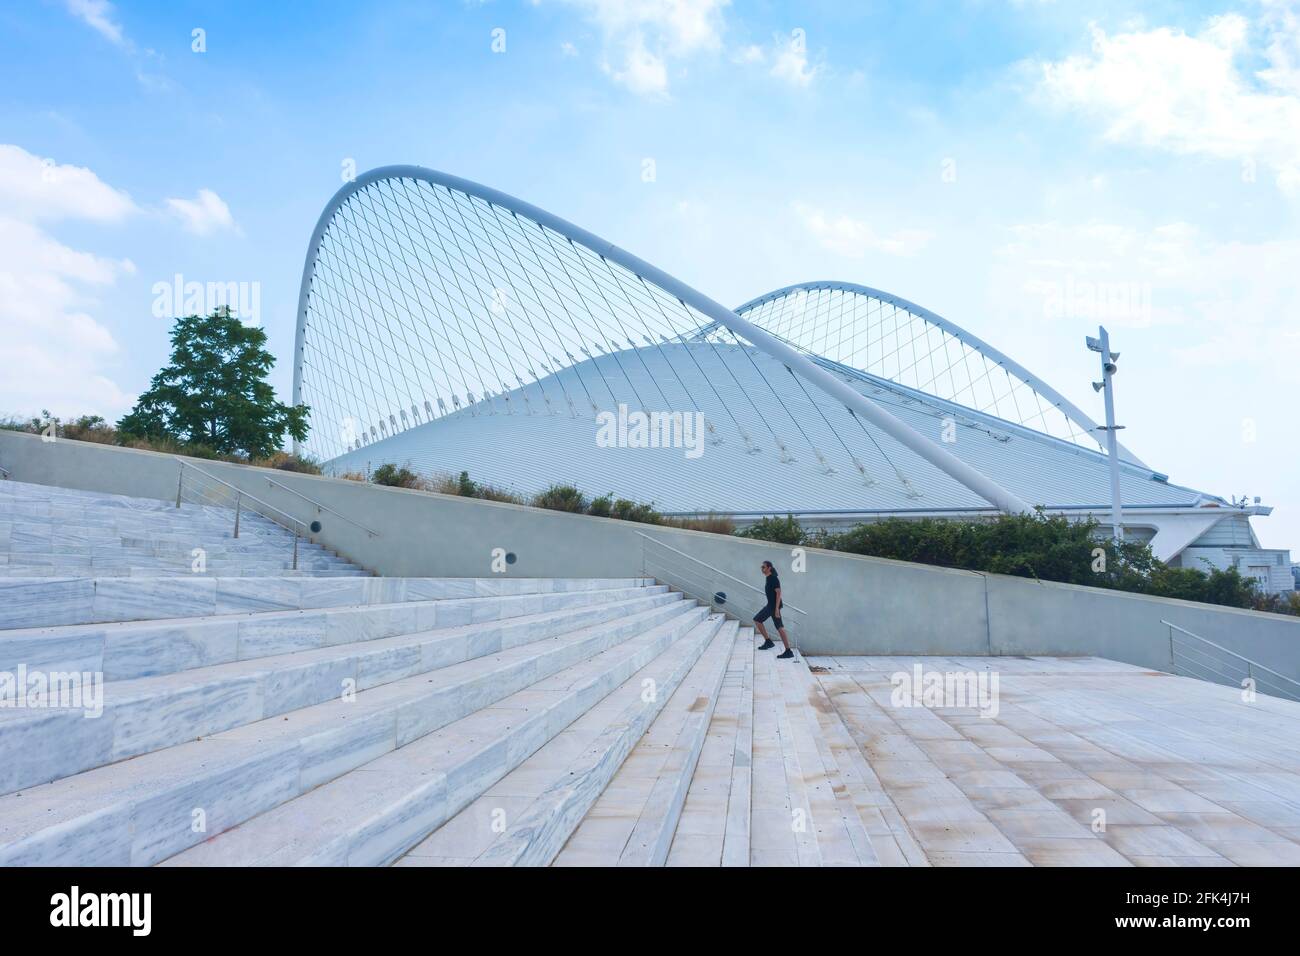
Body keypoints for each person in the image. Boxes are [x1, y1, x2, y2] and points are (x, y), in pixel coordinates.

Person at [754, 560, 793, 659]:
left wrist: (776, 609)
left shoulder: (773, 579)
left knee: (757, 619)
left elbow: (779, 594)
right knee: (779, 627)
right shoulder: (768, 578)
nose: (762, 569)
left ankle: (769, 642)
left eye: (763, 567)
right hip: (771, 606)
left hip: (772, 607)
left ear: (769, 568)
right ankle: (787, 650)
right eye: (761, 567)